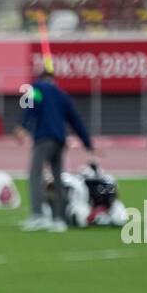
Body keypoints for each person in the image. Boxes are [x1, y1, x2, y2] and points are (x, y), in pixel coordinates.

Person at [14, 67, 95, 232]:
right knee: (58, 179)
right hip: (59, 141)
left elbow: (30, 106)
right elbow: (75, 120)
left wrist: (23, 126)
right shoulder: (62, 95)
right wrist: (88, 144)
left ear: (40, 78)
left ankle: (38, 216)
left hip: (44, 138)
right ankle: (59, 219)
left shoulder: (36, 88)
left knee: (35, 175)